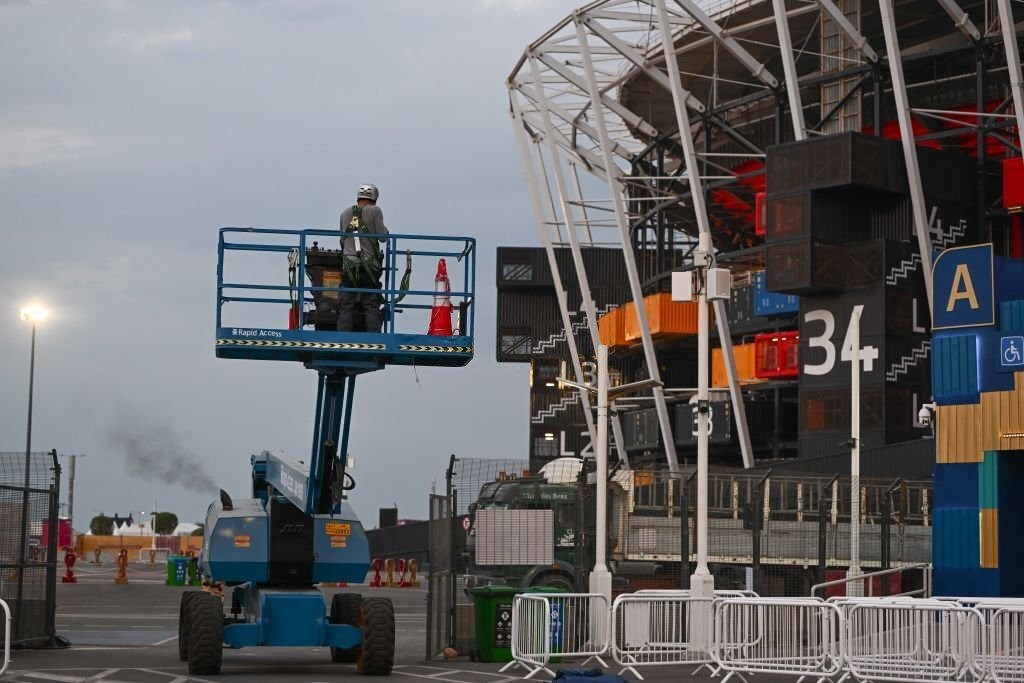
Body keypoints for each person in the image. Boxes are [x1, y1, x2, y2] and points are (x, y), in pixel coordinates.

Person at [337, 183, 389, 333]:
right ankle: (375, 340)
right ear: (375, 199)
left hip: (349, 266)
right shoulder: (375, 211)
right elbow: (382, 237)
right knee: (371, 305)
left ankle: (343, 339)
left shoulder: (344, 213)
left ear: (358, 197)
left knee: (346, 305)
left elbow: (342, 239)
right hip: (369, 267)